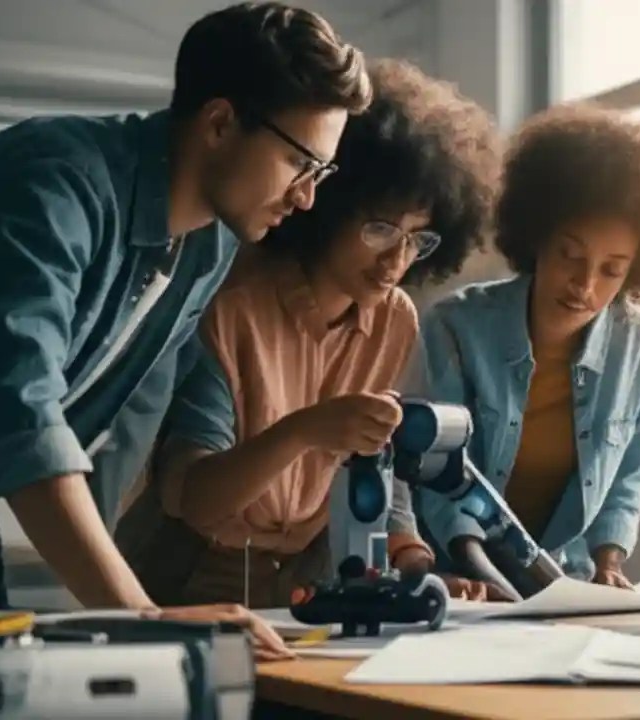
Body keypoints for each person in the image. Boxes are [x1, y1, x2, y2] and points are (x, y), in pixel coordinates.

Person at [0, 1, 370, 659]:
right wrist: (143, 614)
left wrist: (123, 598)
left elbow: (125, 421)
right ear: (221, 123)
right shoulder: (51, 181)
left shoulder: (207, 248)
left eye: (323, 174)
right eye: (302, 164)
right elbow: (19, 419)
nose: (308, 196)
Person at [113, 59, 503, 607]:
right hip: (186, 566)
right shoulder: (229, 304)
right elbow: (194, 498)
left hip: (305, 571)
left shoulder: (396, 318)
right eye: (380, 228)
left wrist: (414, 561)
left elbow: (380, 461)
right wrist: (304, 431)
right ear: (325, 203)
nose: (397, 258)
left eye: (419, 239)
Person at [409, 104, 640, 593]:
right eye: (570, 255)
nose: (584, 284)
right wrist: (475, 568)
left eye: (612, 270)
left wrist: (608, 563)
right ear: (538, 235)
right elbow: (436, 471)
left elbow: (627, 481)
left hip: (563, 584)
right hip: (457, 581)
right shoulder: (457, 328)